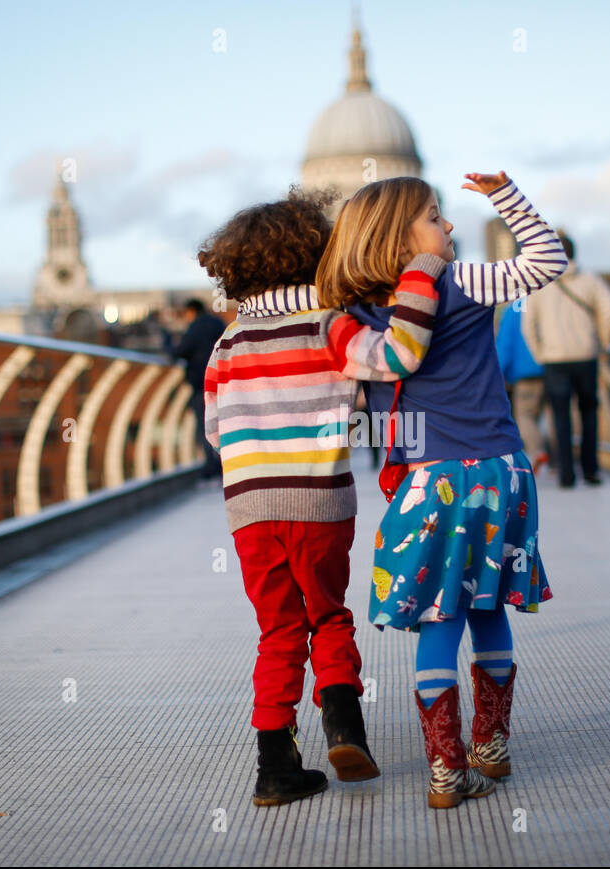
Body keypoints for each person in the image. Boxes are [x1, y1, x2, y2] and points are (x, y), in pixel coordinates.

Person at [315, 170, 567, 809]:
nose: (449, 225)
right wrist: (506, 195)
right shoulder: (465, 282)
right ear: (401, 238)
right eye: (435, 215)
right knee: (489, 609)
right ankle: (492, 745)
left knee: (439, 617)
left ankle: (445, 769)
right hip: (502, 473)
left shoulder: (351, 323)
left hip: (430, 484)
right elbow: (547, 260)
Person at [199, 186, 447, 807]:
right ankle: (344, 726)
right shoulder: (327, 322)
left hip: (251, 509)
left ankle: (275, 767)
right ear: (319, 253)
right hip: (320, 501)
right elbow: (394, 358)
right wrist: (421, 278)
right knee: (328, 614)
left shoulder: (226, 345)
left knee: (277, 630)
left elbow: (213, 429)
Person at [521, 231, 610, 487]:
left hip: (555, 359)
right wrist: (604, 343)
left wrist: (540, 353)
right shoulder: (590, 280)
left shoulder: (540, 285)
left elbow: (528, 325)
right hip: (586, 355)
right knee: (589, 413)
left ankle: (566, 473)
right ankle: (591, 470)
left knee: (560, 415)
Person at [170, 299, 226, 478]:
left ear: (191, 311)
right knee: (223, 423)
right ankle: (224, 464)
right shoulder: (218, 323)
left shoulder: (194, 328)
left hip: (201, 384)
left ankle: (211, 467)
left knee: (205, 425)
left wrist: (167, 343)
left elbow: (180, 351)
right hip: (223, 381)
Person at [495, 300, 549, 474]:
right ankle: (558, 458)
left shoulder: (512, 310)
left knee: (525, 415)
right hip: (552, 368)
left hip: (525, 372)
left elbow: (505, 343)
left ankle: (536, 452)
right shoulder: (543, 303)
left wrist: (499, 371)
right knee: (549, 413)